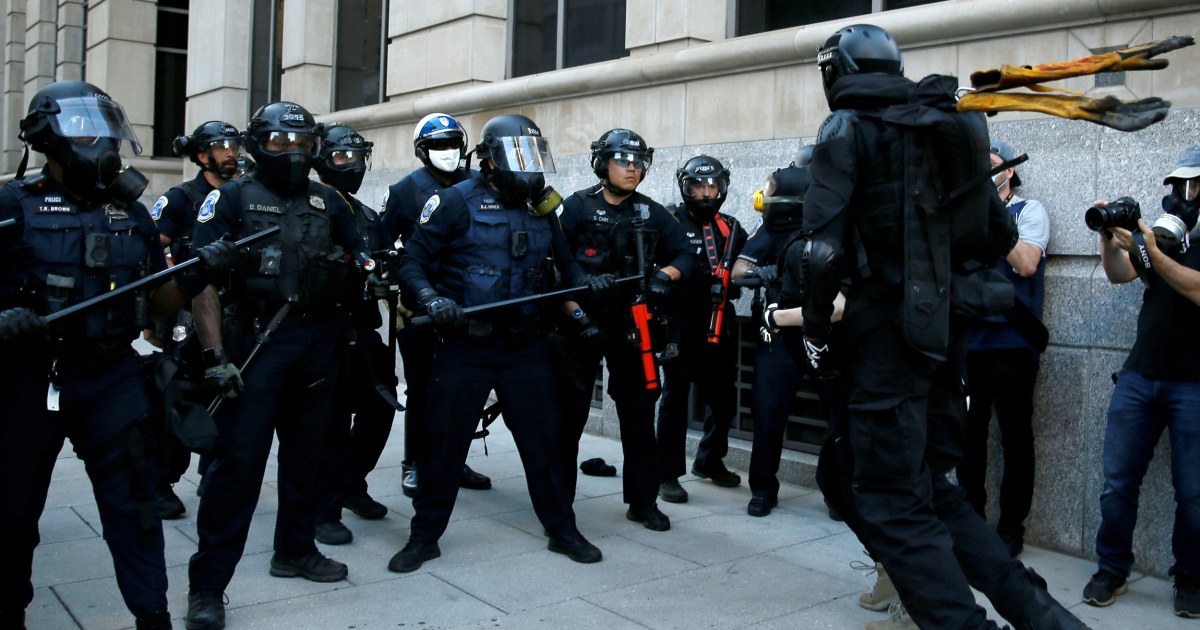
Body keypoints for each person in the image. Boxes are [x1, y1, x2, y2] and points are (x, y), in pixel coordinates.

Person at [798, 24, 1086, 629]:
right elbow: (999, 237)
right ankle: (1049, 621)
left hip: (884, 341)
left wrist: (819, 329)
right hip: (946, 339)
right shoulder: (941, 128)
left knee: (892, 504)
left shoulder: (846, 128)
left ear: (837, 72)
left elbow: (820, 254)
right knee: (933, 488)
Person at [0, 79, 234, 630]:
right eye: (85, 128)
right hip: (27, 381)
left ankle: (151, 616)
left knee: (134, 508)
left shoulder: (132, 214)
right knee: (12, 512)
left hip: (108, 372)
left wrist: (198, 270)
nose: (100, 141)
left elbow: (157, 300)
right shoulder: (13, 205)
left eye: (106, 128)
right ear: (47, 137)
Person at [388, 113, 607, 573]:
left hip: (525, 345)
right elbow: (411, 263)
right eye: (517, 156)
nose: (528, 169)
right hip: (465, 344)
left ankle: (561, 529)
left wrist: (590, 284)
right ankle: (424, 536)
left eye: (533, 156)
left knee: (544, 442)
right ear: (488, 161)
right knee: (443, 446)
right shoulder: (453, 202)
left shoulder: (544, 209)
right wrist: (430, 297)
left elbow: (568, 269)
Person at [185, 101, 374, 630]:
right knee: (237, 469)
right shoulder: (230, 198)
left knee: (307, 457)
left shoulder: (328, 199)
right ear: (255, 146)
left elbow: (359, 254)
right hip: (254, 346)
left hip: (317, 342)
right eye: (278, 144)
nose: (292, 155)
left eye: (302, 145)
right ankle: (208, 587)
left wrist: (360, 267)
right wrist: (215, 356)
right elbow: (201, 284)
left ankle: (295, 549)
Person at [1082, 146, 1200, 618]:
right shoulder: (1165, 238)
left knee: (1193, 494)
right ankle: (1112, 567)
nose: (1182, 194)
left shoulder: (1165, 243)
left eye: (1191, 184)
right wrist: (1112, 239)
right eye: (1179, 184)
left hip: (1193, 384)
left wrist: (1149, 247)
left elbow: (1194, 288)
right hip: (1139, 377)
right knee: (1117, 483)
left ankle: (1190, 576)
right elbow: (1117, 275)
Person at [558, 128, 694, 532]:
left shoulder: (652, 213)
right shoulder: (576, 208)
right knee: (569, 415)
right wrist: (582, 285)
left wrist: (664, 276)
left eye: (639, 163)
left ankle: (643, 500)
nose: (633, 169)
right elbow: (556, 262)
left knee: (638, 413)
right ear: (602, 163)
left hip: (632, 323)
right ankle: (559, 506)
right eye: (623, 161)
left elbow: (686, 255)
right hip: (579, 322)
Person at [381, 112, 491, 498]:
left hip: (467, 303)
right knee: (424, 388)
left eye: (452, 144)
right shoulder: (404, 190)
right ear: (422, 151)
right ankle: (414, 462)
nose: (447, 152)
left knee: (461, 388)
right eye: (438, 146)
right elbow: (384, 244)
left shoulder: (476, 183)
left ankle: (453, 459)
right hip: (420, 307)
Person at [958, 138, 1050, 559]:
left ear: (1009, 170)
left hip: (1013, 344)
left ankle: (1012, 526)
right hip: (969, 344)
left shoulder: (1028, 211)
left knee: (1015, 438)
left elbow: (1026, 262)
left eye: (991, 165)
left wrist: (991, 212)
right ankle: (970, 521)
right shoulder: (965, 215)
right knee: (968, 437)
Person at [147, 119, 243, 520]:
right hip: (190, 310)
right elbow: (152, 248)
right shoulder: (181, 198)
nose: (232, 154)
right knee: (181, 395)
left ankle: (214, 472)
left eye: (235, 146)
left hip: (234, 310)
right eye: (223, 147)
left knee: (229, 394)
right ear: (202, 155)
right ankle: (162, 482)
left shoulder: (242, 195)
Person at [311, 124, 399, 545]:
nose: (352, 166)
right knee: (327, 419)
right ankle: (322, 507)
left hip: (362, 328)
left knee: (381, 404)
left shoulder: (365, 216)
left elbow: (380, 261)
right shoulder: (311, 206)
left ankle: (350, 482)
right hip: (321, 330)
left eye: (357, 157)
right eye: (342, 157)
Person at [655, 155, 747, 504]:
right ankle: (667, 474)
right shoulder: (670, 220)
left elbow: (750, 260)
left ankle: (709, 458)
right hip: (677, 325)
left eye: (713, 186)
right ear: (685, 186)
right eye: (699, 186)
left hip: (719, 323)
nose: (707, 193)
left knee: (724, 397)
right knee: (675, 400)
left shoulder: (731, 226)